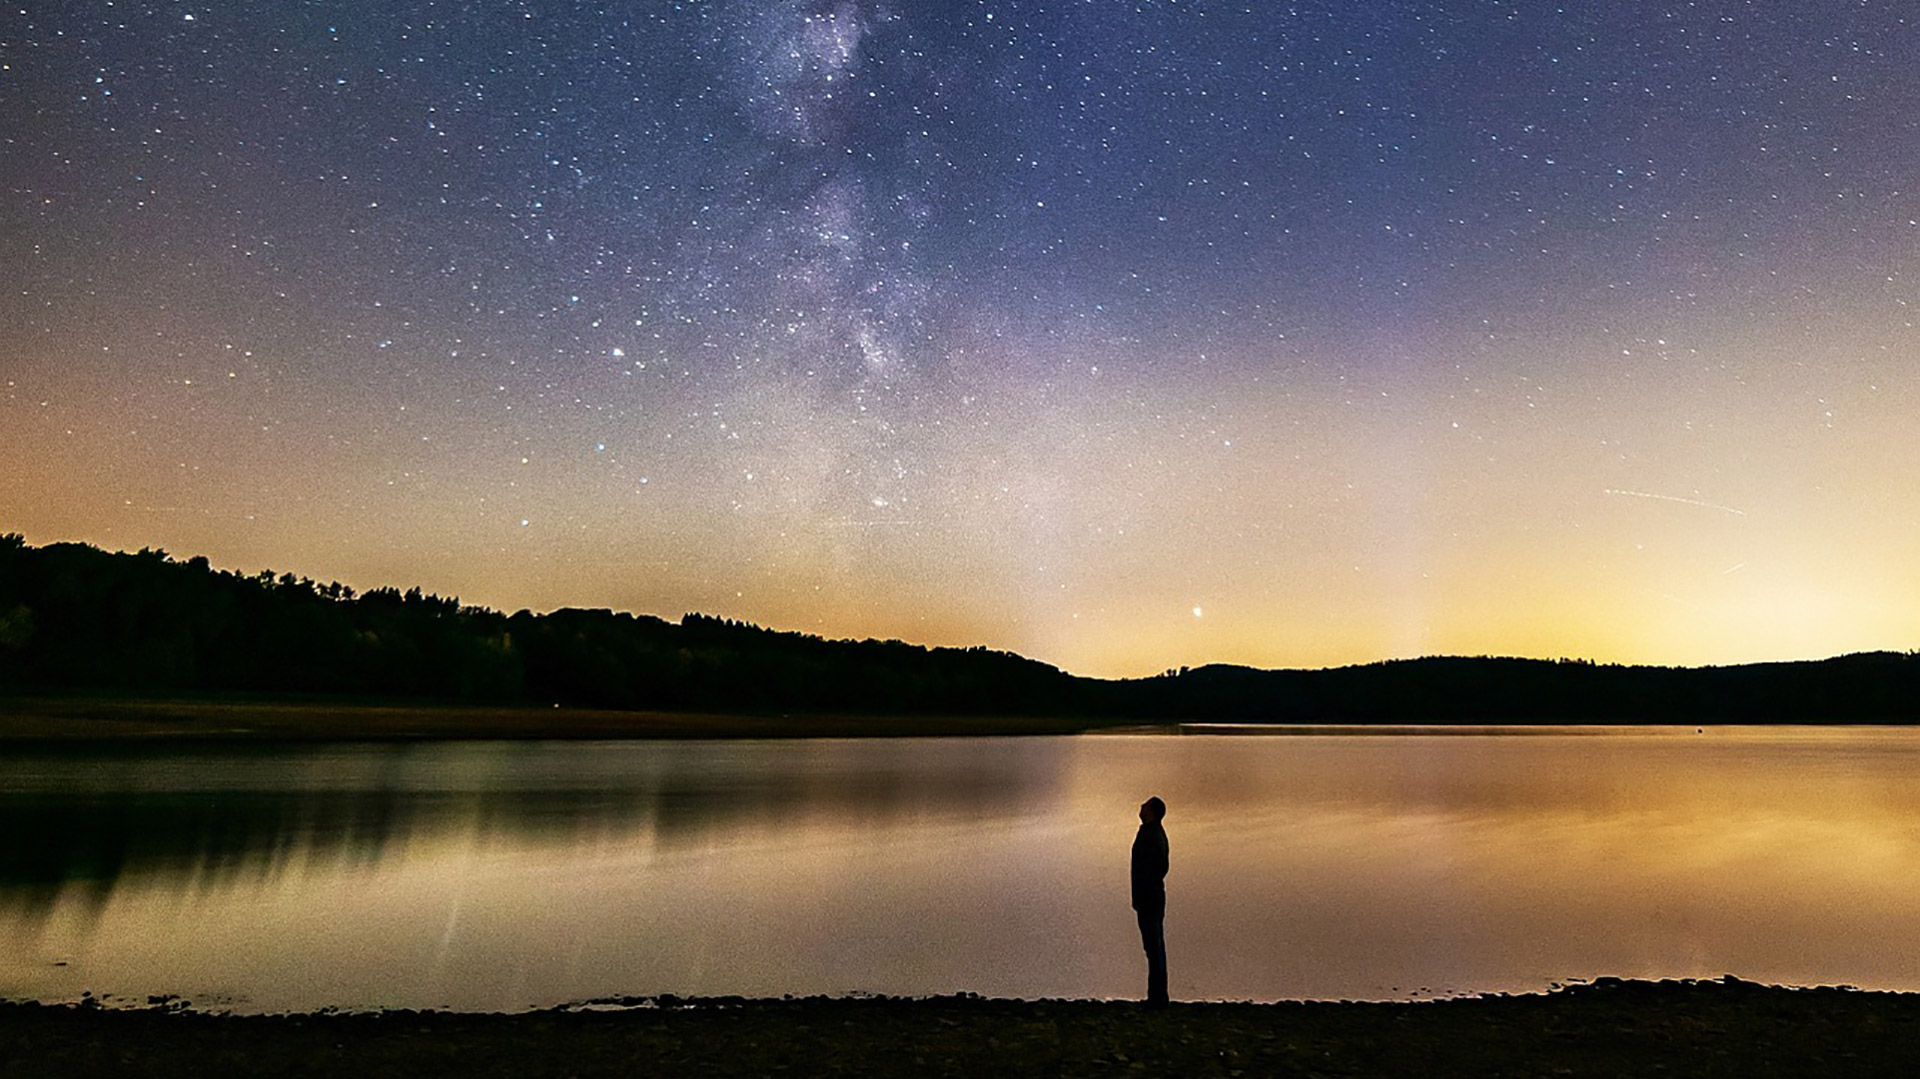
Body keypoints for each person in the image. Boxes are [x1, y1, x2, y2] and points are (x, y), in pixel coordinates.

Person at [1130, 795, 1169, 1005]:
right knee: (1153, 947)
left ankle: (1158, 997)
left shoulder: (1151, 834)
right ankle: (1156, 995)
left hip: (1150, 898)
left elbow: (1154, 868)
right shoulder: (1154, 833)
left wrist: (1143, 893)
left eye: (1144, 805)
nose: (1141, 807)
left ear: (1151, 811)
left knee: (1154, 947)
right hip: (1151, 896)